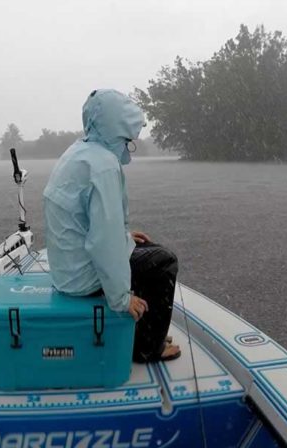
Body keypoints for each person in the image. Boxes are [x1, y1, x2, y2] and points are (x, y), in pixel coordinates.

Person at [43, 89, 181, 363]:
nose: (128, 148)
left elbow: (89, 223)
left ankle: (146, 326)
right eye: (127, 140)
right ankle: (146, 346)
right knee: (164, 262)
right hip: (82, 275)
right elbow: (103, 242)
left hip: (66, 269)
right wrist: (121, 299)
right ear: (116, 132)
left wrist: (126, 236)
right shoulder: (103, 165)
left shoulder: (78, 152)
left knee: (145, 248)